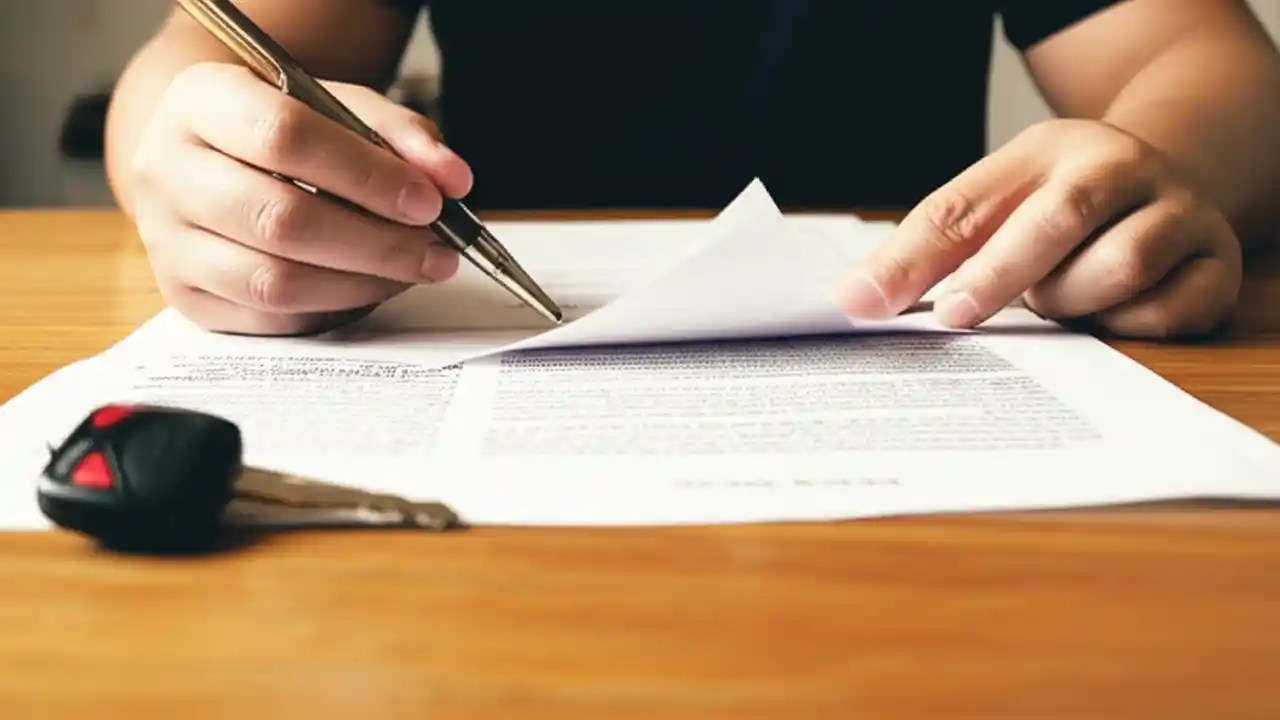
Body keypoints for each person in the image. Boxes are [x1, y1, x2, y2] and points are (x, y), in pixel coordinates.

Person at [105, 1, 1280, 338]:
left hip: (928, 342)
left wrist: (1158, 166)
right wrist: (190, 146)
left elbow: (1198, 51)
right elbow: (206, 53)